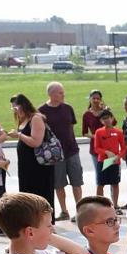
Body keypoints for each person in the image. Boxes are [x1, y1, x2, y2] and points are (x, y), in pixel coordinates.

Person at [40, 82, 83, 221]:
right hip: (55, 154)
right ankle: (64, 211)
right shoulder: (41, 111)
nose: (63, 95)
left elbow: (71, 127)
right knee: (59, 184)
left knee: (76, 182)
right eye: (60, 92)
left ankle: (80, 211)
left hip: (72, 150)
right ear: (51, 94)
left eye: (63, 92)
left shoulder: (68, 108)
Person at [8, 94, 53, 211]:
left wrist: (18, 135)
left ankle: (44, 221)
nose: (15, 111)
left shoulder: (36, 118)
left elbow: (36, 142)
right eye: (13, 109)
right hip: (26, 165)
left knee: (39, 195)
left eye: (16, 108)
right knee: (27, 195)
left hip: (38, 164)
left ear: (23, 106)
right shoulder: (23, 119)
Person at [90, 109, 126, 208]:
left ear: (112, 118)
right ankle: (99, 205)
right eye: (104, 119)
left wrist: (118, 156)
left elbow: (123, 148)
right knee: (100, 184)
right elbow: (96, 148)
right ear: (101, 121)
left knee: (115, 184)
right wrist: (106, 152)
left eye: (108, 118)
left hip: (114, 161)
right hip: (103, 161)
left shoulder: (118, 132)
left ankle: (115, 205)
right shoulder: (99, 132)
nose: (106, 120)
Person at [81, 90, 107, 192]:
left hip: (109, 146)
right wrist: (95, 137)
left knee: (110, 173)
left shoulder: (105, 111)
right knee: (99, 173)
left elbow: (113, 123)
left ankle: (113, 201)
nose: (96, 100)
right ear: (90, 99)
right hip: (96, 148)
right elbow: (84, 132)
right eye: (94, 98)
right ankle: (100, 198)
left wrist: (106, 111)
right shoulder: (87, 114)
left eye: (98, 98)